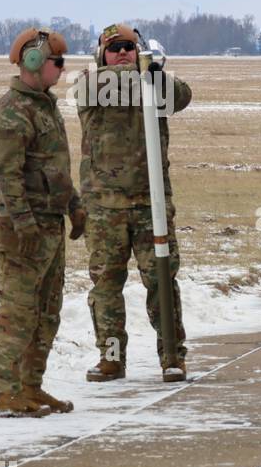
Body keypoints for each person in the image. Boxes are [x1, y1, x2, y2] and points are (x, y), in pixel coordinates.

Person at [75, 23, 192, 383]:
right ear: (101, 55)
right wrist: (141, 71)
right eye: (115, 48)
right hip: (104, 207)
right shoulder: (91, 84)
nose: (123, 53)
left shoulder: (155, 84)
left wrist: (153, 72)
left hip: (150, 203)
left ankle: (171, 357)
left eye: (130, 47)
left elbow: (182, 96)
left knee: (160, 281)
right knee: (106, 285)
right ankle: (111, 358)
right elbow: (97, 87)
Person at [0, 28, 86, 417]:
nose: (62, 70)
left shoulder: (44, 107)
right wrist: (24, 226)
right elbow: (6, 177)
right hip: (23, 231)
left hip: (49, 227)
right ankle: (6, 392)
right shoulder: (12, 112)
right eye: (57, 63)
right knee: (18, 310)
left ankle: (31, 386)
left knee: (46, 311)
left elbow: (56, 171)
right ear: (33, 62)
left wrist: (74, 206)